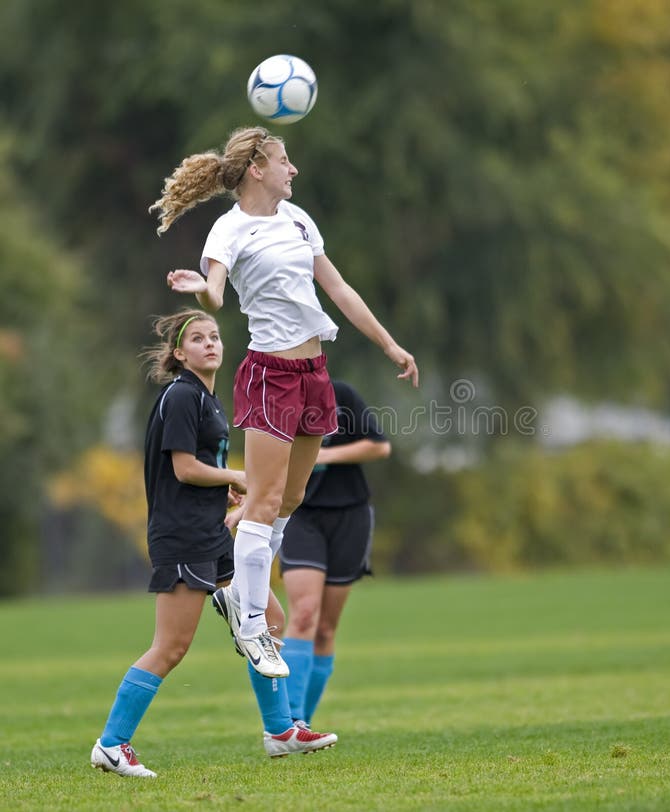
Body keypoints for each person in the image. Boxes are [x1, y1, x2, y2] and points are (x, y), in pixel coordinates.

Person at [149, 126, 418, 684]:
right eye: (283, 161)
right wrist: (200, 284)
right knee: (266, 499)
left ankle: (235, 592)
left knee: (291, 498)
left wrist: (389, 343)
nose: (292, 170)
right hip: (270, 374)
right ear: (256, 169)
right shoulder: (230, 227)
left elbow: (339, 290)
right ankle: (250, 620)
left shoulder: (300, 221)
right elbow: (217, 295)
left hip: (315, 372)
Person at [90, 310, 336, 779]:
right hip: (183, 538)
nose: (210, 344)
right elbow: (183, 469)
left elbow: (192, 471)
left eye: (215, 336)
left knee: (269, 620)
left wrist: (222, 489)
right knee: (172, 646)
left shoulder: (208, 398)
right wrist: (240, 476)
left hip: (212, 534)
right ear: (180, 353)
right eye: (197, 339)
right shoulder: (182, 395)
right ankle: (112, 743)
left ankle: (280, 730)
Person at [279, 379, 391, 725]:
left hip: (349, 514)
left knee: (326, 628)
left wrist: (324, 454)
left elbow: (379, 446)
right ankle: (290, 721)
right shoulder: (273, 399)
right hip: (300, 516)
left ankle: (305, 722)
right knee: (303, 613)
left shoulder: (340, 395)